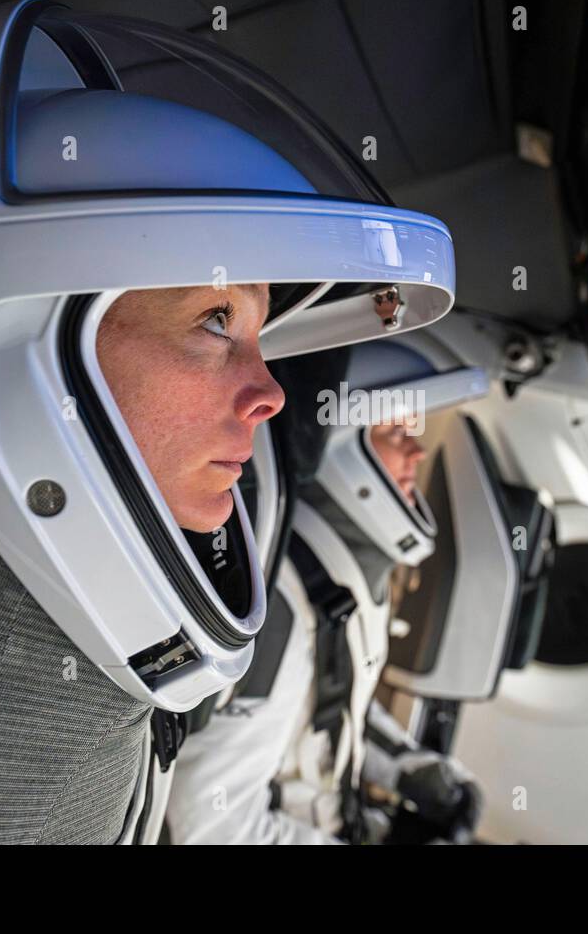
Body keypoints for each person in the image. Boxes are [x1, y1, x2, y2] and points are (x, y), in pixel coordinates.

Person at [0, 0, 457, 844]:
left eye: (260, 336)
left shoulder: (100, 679)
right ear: (10, 325)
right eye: (217, 320)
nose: (272, 395)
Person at [164, 340, 490, 844]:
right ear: (342, 442)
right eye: (396, 430)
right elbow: (212, 827)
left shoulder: (328, 574)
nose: (418, 451)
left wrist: (410, 768)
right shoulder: (285, 607)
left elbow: (332, 698)